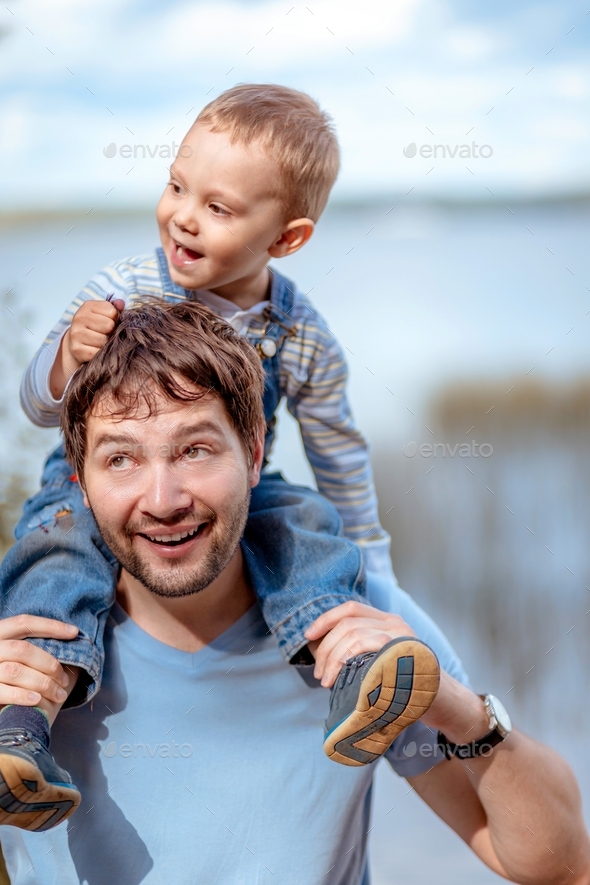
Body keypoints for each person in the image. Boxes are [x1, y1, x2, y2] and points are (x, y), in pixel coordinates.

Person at [0, 301, 588, 885]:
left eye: (195, 450)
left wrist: (459, 711)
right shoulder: (18, 644)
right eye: (121, 458)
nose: (163, 499)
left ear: (253, 455)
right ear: (79, 478)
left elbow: (556, 866)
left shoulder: (362, 624)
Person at [0, 82, 434, 815]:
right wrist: (67, 360)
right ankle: (21, 726)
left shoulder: (300, 335)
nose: (183, 216)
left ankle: (353, 666)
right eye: (176, 186)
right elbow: (40, 407)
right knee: (58, 551)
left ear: (288, 238)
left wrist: (376, 572)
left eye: (218, 208)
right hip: (91, 478)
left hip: (236, 481)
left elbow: (339, 452)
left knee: (302, 525)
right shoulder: (121, 288)